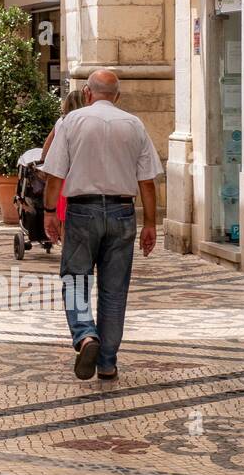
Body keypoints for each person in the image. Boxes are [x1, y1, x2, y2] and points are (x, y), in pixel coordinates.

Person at [41, 69, 162, 383]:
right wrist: (150, 224)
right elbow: (147, 183)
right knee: (114, 290)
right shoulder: (134, 125)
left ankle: (86, 336)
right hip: (123, 212)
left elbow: (55, 174)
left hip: (82, 211)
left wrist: (50, 211)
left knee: (76, 280)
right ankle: (107, 363)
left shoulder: (71, 122)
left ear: (86, 93)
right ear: (117, 96)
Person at [40, 89, 85, 227]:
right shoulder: (86, 121)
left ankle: (65, 245)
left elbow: (47, 147)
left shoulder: (61, 121)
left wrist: (43, 161)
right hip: (82, 176)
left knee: (65, 218)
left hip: (64, 177)